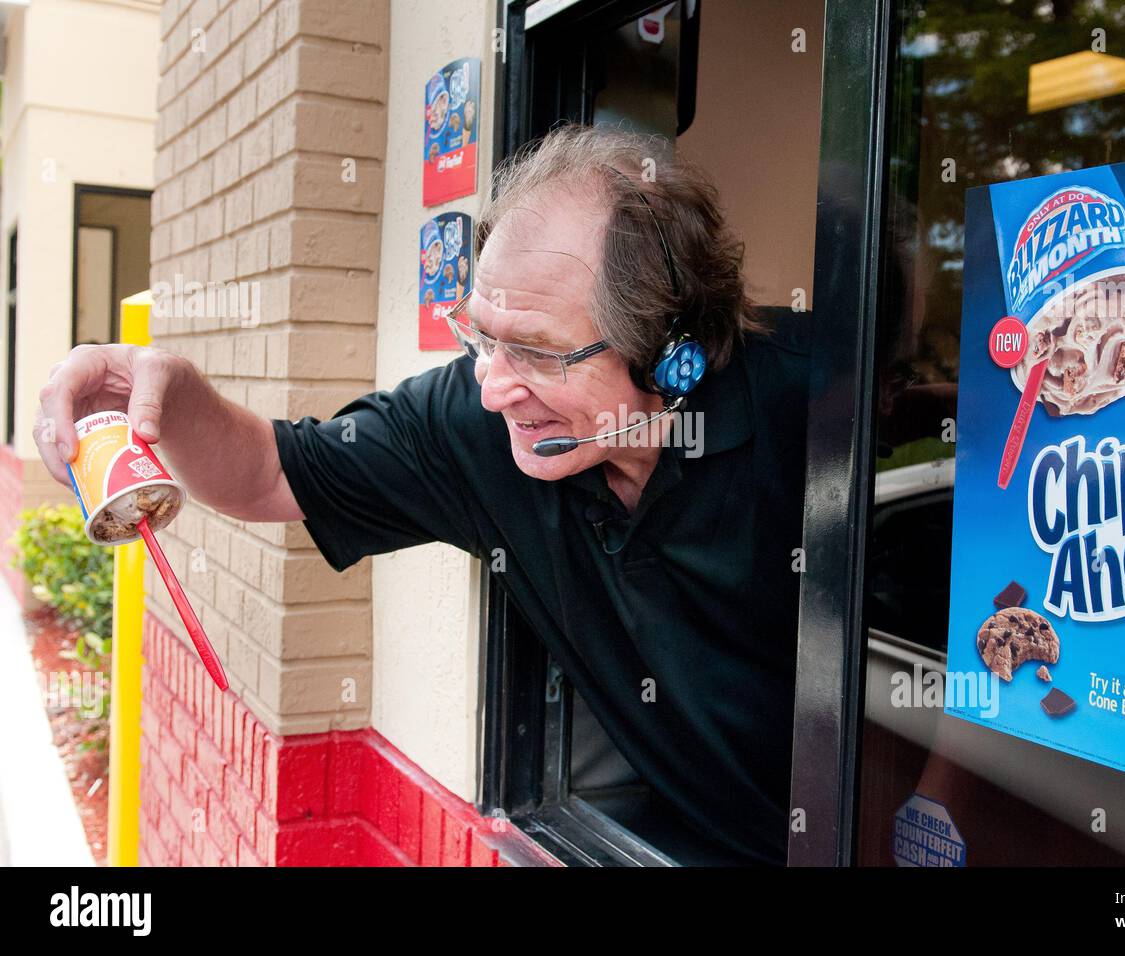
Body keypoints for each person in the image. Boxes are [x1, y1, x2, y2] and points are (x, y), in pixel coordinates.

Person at [34, 123, 810, 866]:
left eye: (538, 353)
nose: (494, 386)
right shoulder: (479, 426)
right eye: (480, 337)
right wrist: (169, 396)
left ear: (671, 356)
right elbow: (273, 470)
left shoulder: (812, 419)